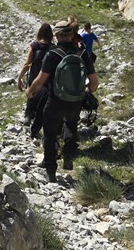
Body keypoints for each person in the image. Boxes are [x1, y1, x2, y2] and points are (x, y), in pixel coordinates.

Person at [26, 19, 98, 183]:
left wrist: (30, 91)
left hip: (55, 101)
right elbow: (94, 83)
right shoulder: (83, 54)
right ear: (72, 34)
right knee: (71, 126)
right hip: (76, 101)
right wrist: (86, 92)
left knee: (50, 134)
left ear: (57, 35)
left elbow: (40, 80)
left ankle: (51, 171)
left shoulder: (52, 54)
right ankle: (68, 154)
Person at [17, 23, 54, 138]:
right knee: (43, 102)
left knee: (31, 95)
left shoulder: (34, 46)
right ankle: (38, 125)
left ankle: (28, 116)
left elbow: (27, 64)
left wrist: (19, 78)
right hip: (47, 80)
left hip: (34, 77)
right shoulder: (53, 48)